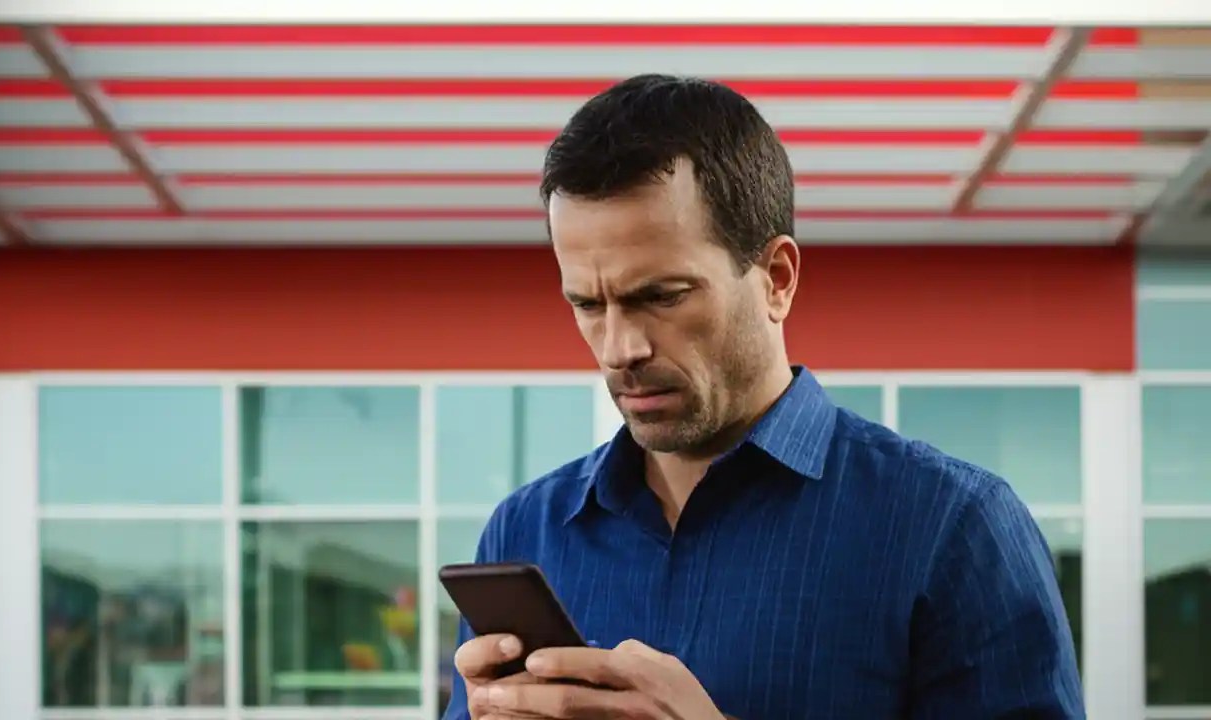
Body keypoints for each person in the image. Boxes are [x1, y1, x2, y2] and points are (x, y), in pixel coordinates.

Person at [442, 74, 1083, 720]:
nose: (619, 348)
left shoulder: (956, 530)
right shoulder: (524, 533)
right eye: (587, 304)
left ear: (777, 279)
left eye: (662, 297)